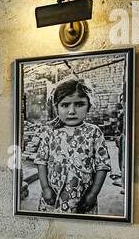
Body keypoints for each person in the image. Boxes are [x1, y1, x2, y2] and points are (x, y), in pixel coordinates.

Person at [33, 78, 111, 214]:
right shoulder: (49, 132)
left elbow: (102, 165)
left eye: (79, 104)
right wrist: (45, 188)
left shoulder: (94, 133)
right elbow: (41, 162)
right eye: (65, 105)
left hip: (82, 199)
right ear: (56, 107)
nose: (72, 111)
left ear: (89, 106)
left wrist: (93, 193)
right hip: (53, 197)